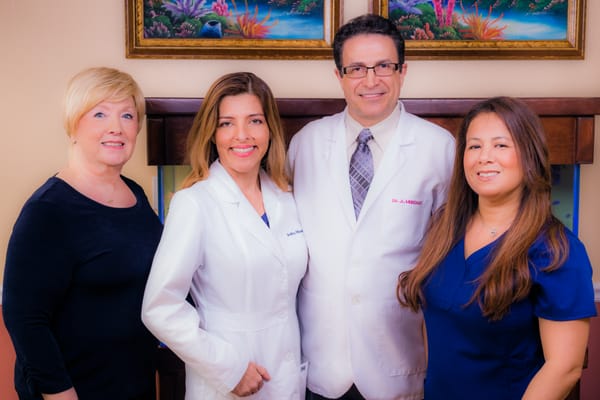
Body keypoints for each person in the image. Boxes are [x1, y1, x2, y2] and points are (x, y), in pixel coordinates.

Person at [287, 13, 455, 400]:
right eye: (357, 68)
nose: (371, 80)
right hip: (321, 366)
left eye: (383, 66)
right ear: (339, 76)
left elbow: (450, 253)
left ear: (403, 71)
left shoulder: (439, 149)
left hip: (398, 361)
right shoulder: (306, 144)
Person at [397, 96, 597, 400]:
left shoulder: (556, 250)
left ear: (529, 155)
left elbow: (564, 367)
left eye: (501, 145)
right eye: (474, 146)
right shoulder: (445, 228)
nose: (484, 157)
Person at [141, 72, 308, 399]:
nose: (242, 135)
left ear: (270, 129)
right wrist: (228, 369)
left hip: (287, 376)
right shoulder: (194, 203)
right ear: (212, 134)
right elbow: (159, 308)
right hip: (227, 380)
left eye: (255, 121)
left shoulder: (287, 197)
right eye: (226, 123)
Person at [2, 67, 162, 400]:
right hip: (74, 391)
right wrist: (60, 395)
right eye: (100, 114)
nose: (116, 127)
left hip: (133, 384)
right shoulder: (48, 210)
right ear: (73, 125)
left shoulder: (135, 194)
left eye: (127, 115)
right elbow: (25, 318)